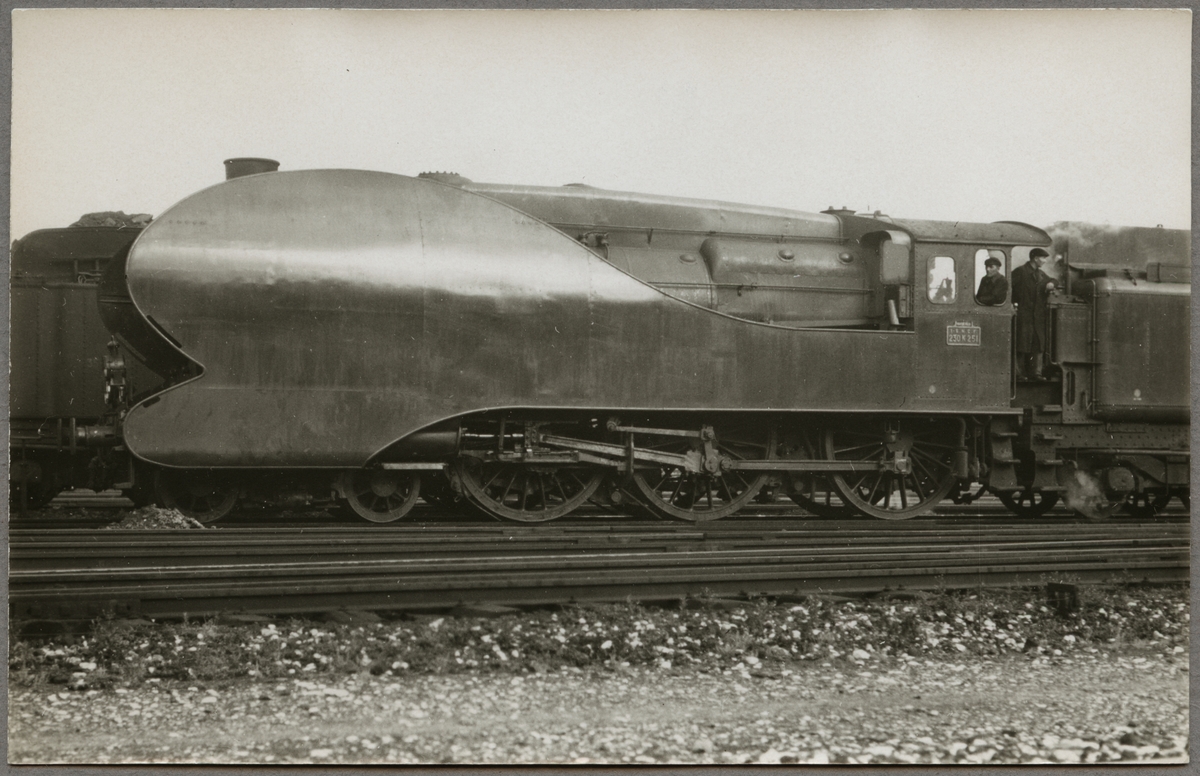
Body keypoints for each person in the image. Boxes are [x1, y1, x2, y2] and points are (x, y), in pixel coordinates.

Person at [1011, 247, 1056, 379]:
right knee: (1021, 344)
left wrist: (1052, 283)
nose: (1044, 261)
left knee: (1037, 344)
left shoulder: (1041, 274)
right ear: (1035, 258)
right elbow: (1009, 287)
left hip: (1037, 317)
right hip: (1023, 315)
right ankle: (1018, 374)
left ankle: (1036, 373)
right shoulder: (1020, 272)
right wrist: (1011, 304)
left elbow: (1054, 280)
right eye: (1043, 258)